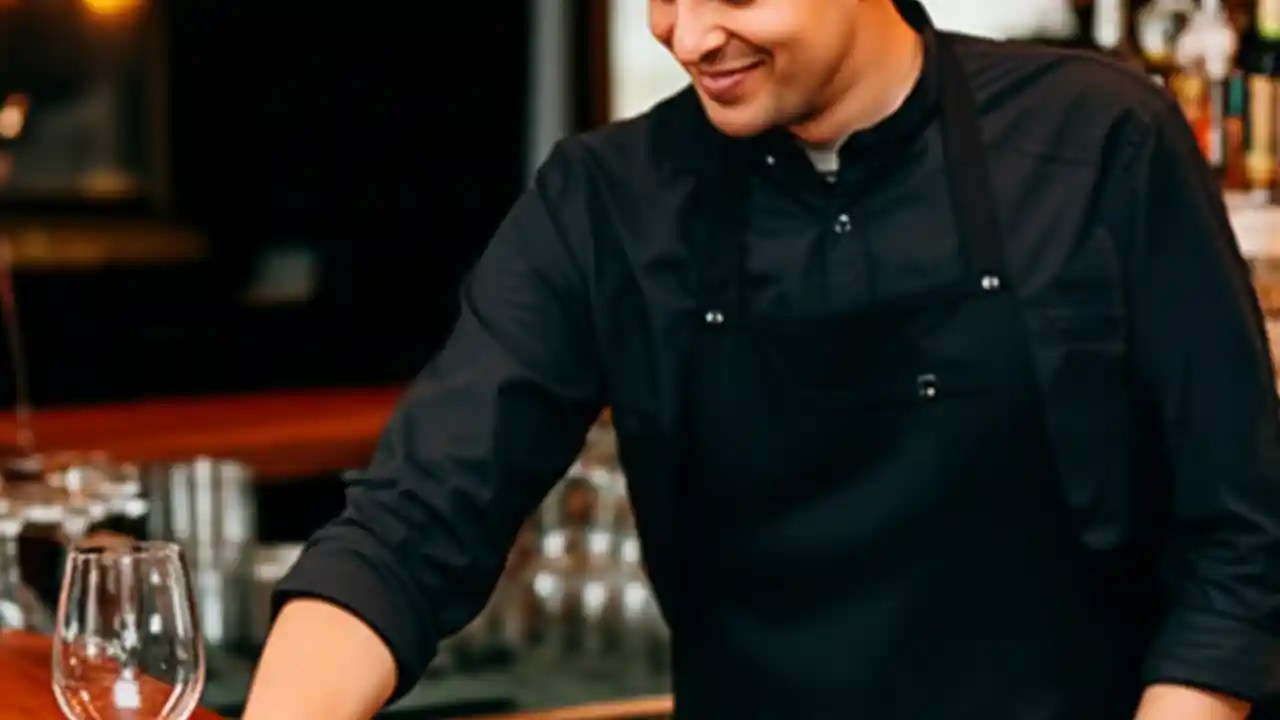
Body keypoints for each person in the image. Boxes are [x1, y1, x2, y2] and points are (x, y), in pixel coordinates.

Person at [242, 0, 1280, 718]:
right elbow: (414, 523)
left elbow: (1240, 537)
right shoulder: (606, 203)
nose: (685, 33)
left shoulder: (1097, 142)